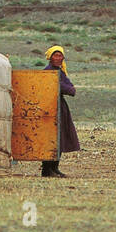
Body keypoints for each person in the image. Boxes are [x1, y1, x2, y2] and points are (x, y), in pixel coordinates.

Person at [42, 45, 79, 177]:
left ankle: (54, 168)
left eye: (60, 55)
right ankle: (47, 169)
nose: (58, 58)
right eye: (55, 55)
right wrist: (65, 88)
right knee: (50, 138)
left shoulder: (60, 72)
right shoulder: (48, 71)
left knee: (60, 137)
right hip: (49, 107)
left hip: (60, 107)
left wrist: (66, 88)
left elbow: (70, 88)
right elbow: (66, 88)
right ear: (50, 57)